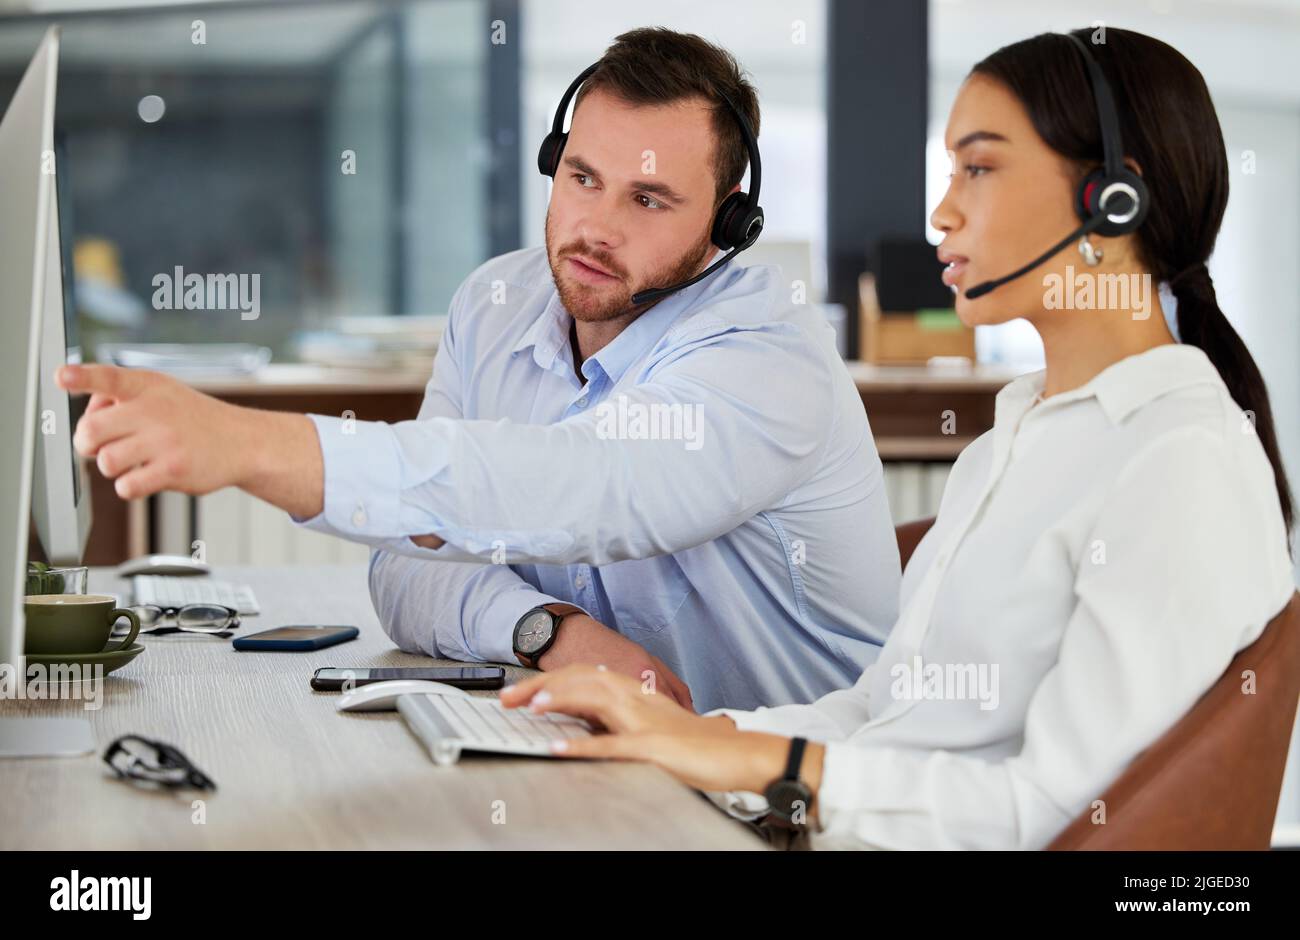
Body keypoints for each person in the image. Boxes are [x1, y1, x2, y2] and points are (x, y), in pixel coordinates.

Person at [496, 27, 1297, 850]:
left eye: (979, 168)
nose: (942, 212)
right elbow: (884, 714)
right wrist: (686, 737)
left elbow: (1055, 810)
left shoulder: (1178, 463)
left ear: (1111, 201)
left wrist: (753, 765)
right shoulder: (1014, 439)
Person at [57, 29, 900, 715]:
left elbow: (583, 486)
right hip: (609, 766)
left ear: (727, 225)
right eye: (582, 178)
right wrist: (548, 632)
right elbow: (410, 562)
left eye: (647, 200)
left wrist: (251, 445)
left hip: (782, 805)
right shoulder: (496, 303)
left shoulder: (768, 354)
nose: (596, 227)